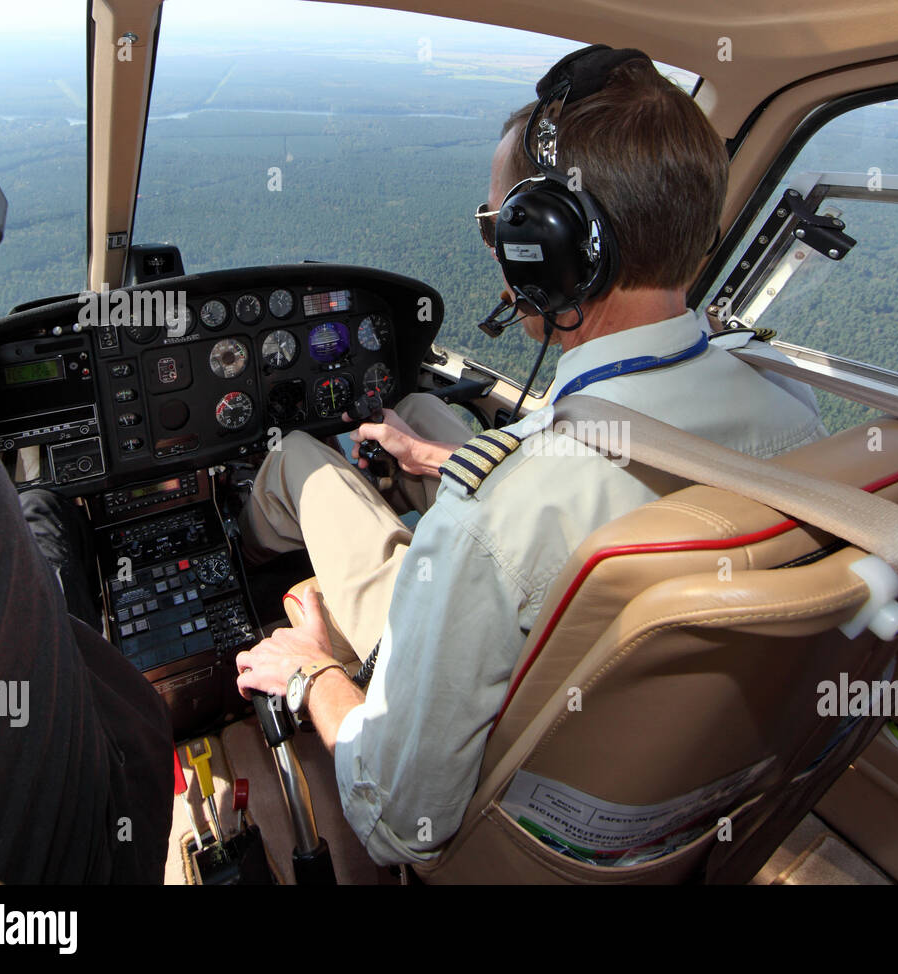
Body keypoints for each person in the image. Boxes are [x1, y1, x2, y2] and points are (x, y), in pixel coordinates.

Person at [233, 50, 827, 866]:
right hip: (660, 768)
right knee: (421, 411)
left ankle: (239, 547)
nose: (496, 247)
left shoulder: (495, 516)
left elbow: (397, 824)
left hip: (506, 799)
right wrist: (444, 458)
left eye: (499, 226)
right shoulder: (796, 412)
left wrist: (313, 672)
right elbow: (569, 484)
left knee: (304, 458)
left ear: (547, 249)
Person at [0, 364, 174, 883]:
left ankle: (40, 472)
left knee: (38, 506)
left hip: (91, 803)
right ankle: (47, 476)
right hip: (106, 811)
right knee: (41, 510)